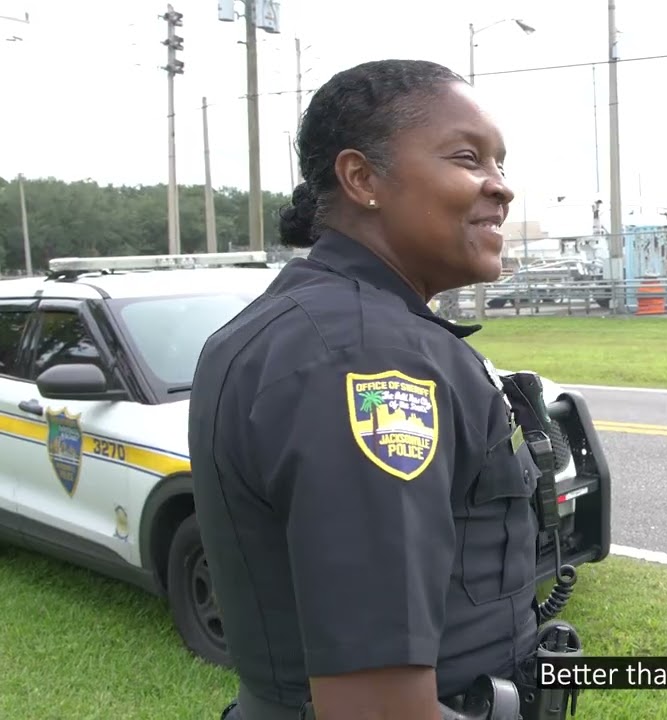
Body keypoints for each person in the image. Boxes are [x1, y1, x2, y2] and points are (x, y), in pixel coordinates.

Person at [188, 59, 546, 720]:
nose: (501, 188)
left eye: (501, 164)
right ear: (362, 179)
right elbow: (377, 708)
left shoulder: (323, 324)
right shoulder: (367, 358)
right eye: (468, 158)